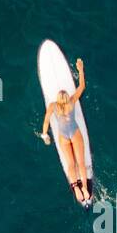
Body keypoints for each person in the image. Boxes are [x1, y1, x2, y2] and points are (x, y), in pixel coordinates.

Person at [41, 57, 91, 206]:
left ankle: (77, 190)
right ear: (66, 98)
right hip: (74, 133)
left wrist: (45, 135)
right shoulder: (72, 101)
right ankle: (86, 189)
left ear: (58, 99)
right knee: (81, 163)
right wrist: (80, 69)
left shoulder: (53, 106)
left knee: (71, 165)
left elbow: (46, 121)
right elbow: (82, 86)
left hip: (63, 137)